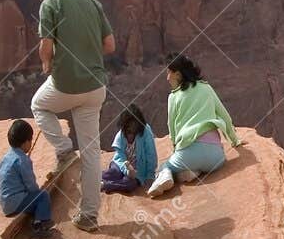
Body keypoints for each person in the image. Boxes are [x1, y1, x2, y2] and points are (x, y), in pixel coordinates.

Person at [31, 0, 114, 232]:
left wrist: (46, 64)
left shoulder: (51, 3)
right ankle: (89, 216)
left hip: (66, 84)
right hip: (95, 87)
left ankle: (65, 151)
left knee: (39, 105)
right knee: (91, 153)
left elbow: (46, 45)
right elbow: (110, 45)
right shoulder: (93, 3)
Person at [148, 55, 242, 196]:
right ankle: (192, 172)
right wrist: (235, 141)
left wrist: (176, 149)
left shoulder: (173, 97)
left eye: (169, 73)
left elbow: (172, 126)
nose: (167, 78)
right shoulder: (206, 87)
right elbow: (224, 116)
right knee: (194, 163)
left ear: (178, 74)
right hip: (216, 158)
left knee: (165, 167)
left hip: (189, 154)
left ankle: (167, 176)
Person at [0, 119, 55, 239]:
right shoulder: (22, 160)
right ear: (25, 142)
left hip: (5, 203)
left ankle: (35, 216)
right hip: (15, 203)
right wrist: (36, 194)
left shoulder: (6, 157)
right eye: (30, 140)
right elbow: (30, 184)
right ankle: (39, 226)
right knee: (42, 196)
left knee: (34, 199)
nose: (31, 143)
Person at [102, 105, 157, 194]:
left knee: (130, 184)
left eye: (135, 124)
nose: (132, 128)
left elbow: (151, 154)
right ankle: (92, 178)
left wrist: (150, 176)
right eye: (129, 126)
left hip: (138, 171)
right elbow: (120, 156)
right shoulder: (121, 134)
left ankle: (105, 185)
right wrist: (127, 170)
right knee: (113, 173)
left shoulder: (146, 131)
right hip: (120, 165)